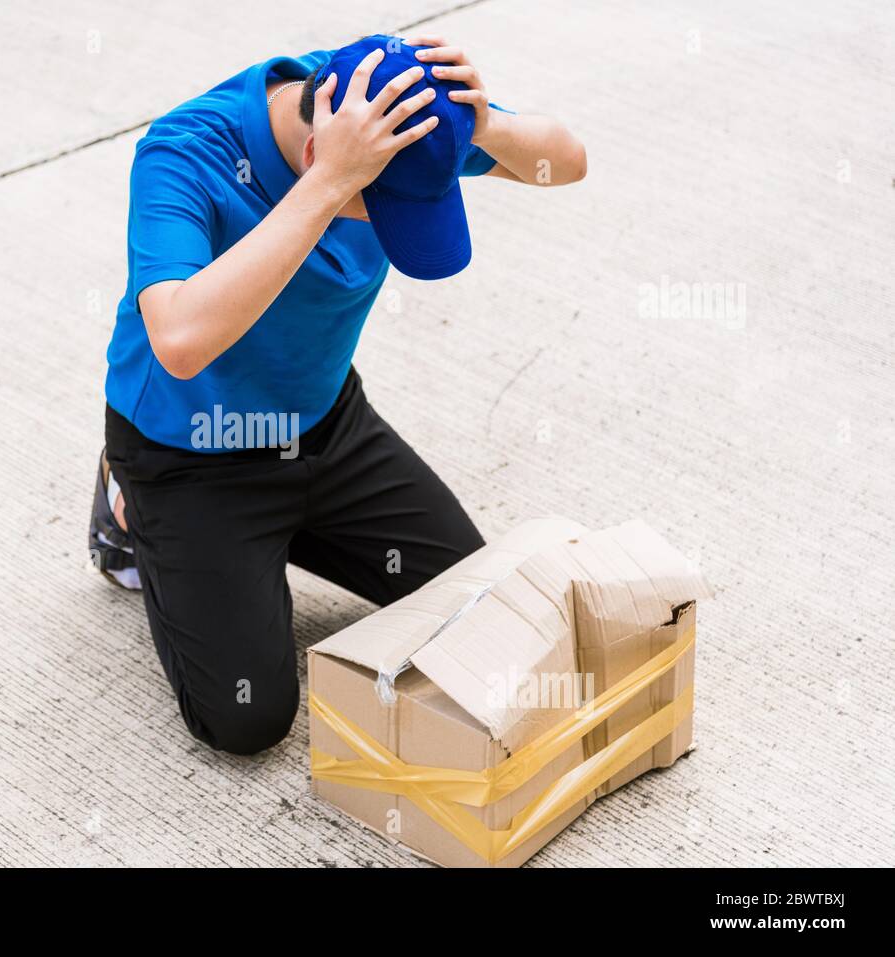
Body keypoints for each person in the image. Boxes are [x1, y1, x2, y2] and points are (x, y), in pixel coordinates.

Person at [90, 34, 586, 755]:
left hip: (327, 426)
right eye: (379, 209)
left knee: (482, 616)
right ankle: (126, 504)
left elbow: (566, 162)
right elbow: (180, 339)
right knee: (248, 717)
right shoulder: (186, 149)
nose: (388, 230)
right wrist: (325, 189)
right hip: (189, 453)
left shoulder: (386, 108)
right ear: (322, 152)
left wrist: (485, 124)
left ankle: (283, 535)